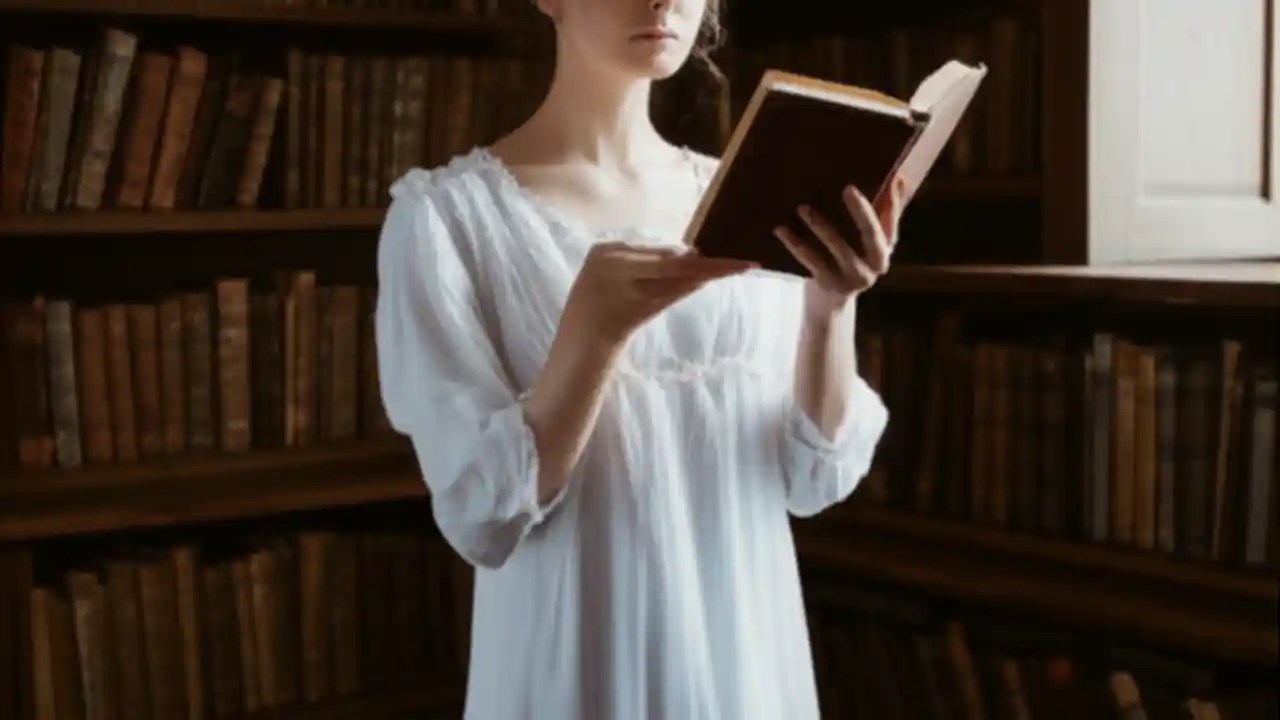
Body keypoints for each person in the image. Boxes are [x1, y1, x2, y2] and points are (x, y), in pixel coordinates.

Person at [374, 0, 903, 717]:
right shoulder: (449, 221)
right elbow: (481, 516)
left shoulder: (747, 199)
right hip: (575, 662)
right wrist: (590, 335)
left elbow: (814, 475)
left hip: (743, 662)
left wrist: (831, 305)